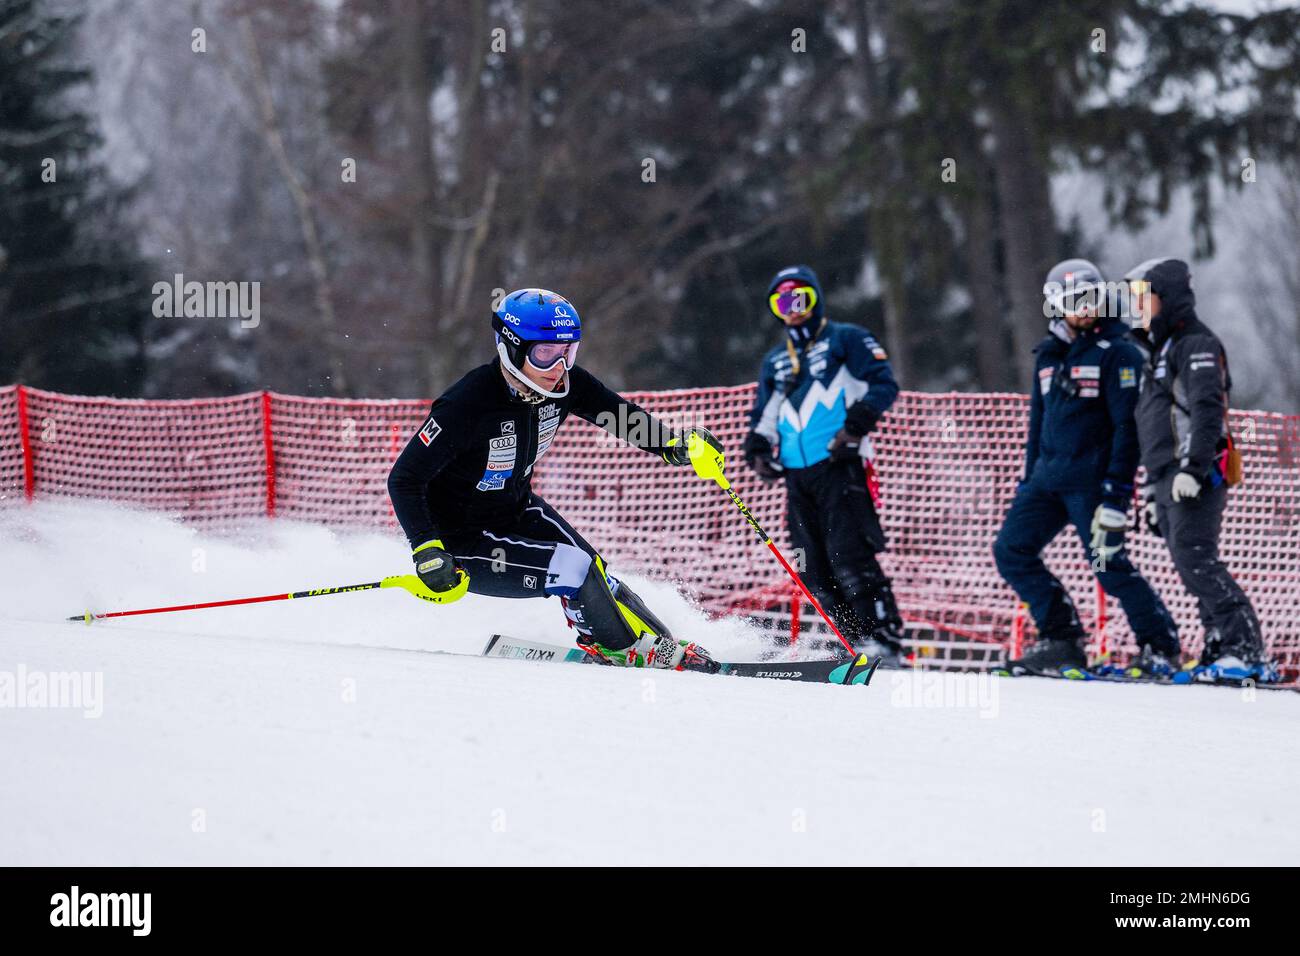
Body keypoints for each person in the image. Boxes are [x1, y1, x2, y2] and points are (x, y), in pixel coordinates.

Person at [387, 288, 723, 670]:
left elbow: (616, 414)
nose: (559, 366)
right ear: (512, 348)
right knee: (575, 571)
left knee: (594, 570)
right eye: (545, 353)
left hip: (515, 509)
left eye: (568, 352)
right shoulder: (467, 402)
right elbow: (405, 479)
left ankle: (662, 646)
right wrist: (427, 549)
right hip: (460, 542)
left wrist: (671, 445)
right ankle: (620, 649)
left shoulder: (565, 386)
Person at [994, 258, 1179, 677]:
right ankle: (1062, 638)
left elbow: (1126, 430)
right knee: (1011, 551)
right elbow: (1037, 426)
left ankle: (1160, 647)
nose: (1084, 308)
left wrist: (1116, 494)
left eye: (1091, 298)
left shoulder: (1118, 352)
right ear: (1056, 306)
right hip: (1046, 481)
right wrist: (1028, 481)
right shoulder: (1047, 355)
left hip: (1092, 484)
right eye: (1074, 301)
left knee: (1108, 565)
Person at [741, 264, 905, 662]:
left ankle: (882, 638)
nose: (793, 309)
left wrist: (856, 427)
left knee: (848, 553)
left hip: (839, 465)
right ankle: (850, 638)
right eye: (783, 302)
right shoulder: (777, 360)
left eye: (802, 299)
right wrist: (758, 449)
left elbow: (885, 383)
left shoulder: (845, 339)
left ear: (816, 300)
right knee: (808, 565)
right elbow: (765, 412)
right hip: (797, 477)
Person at [1125, 257, 1275, 683]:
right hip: (1169, 473)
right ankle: (1217, 642)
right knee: (1186, 558)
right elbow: (1155, 421)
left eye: (1144, 298)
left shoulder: (1196, 344)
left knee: (1196, 557)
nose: (1138, 307)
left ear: (1167, 297)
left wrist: (1193, 468)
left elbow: (1208, 410)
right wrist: (1154, 489)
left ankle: (1245, 648)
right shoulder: (1161, 349)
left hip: (1199, 469)